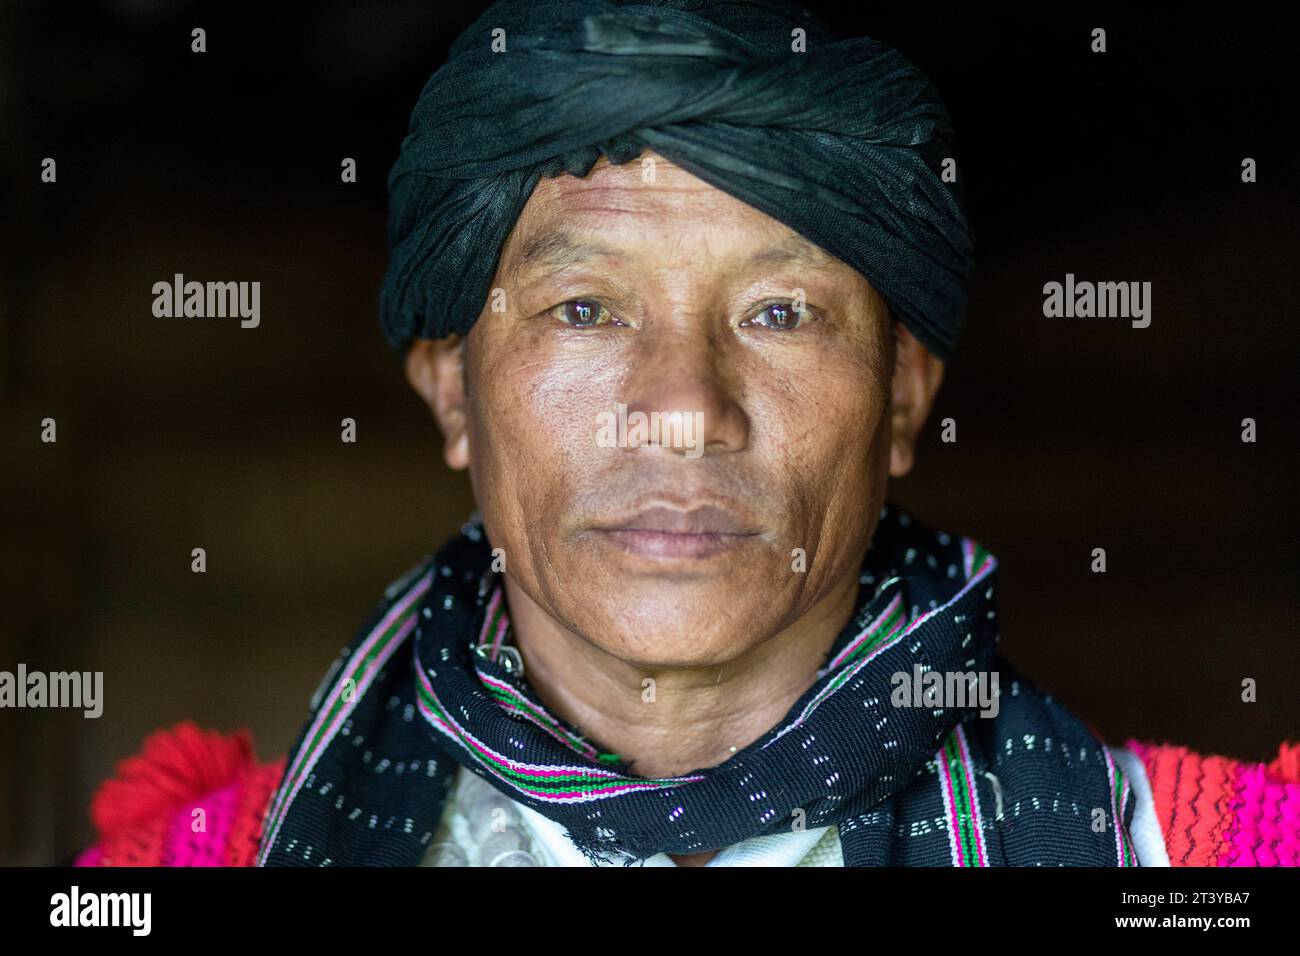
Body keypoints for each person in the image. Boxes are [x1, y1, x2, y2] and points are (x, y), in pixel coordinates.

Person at [74, 0, 1297, 868]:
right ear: (453, 394)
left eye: (780, 311)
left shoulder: (1195, 856)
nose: (681, 406)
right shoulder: (186, 864)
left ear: (901, 397)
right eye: (583, 308)